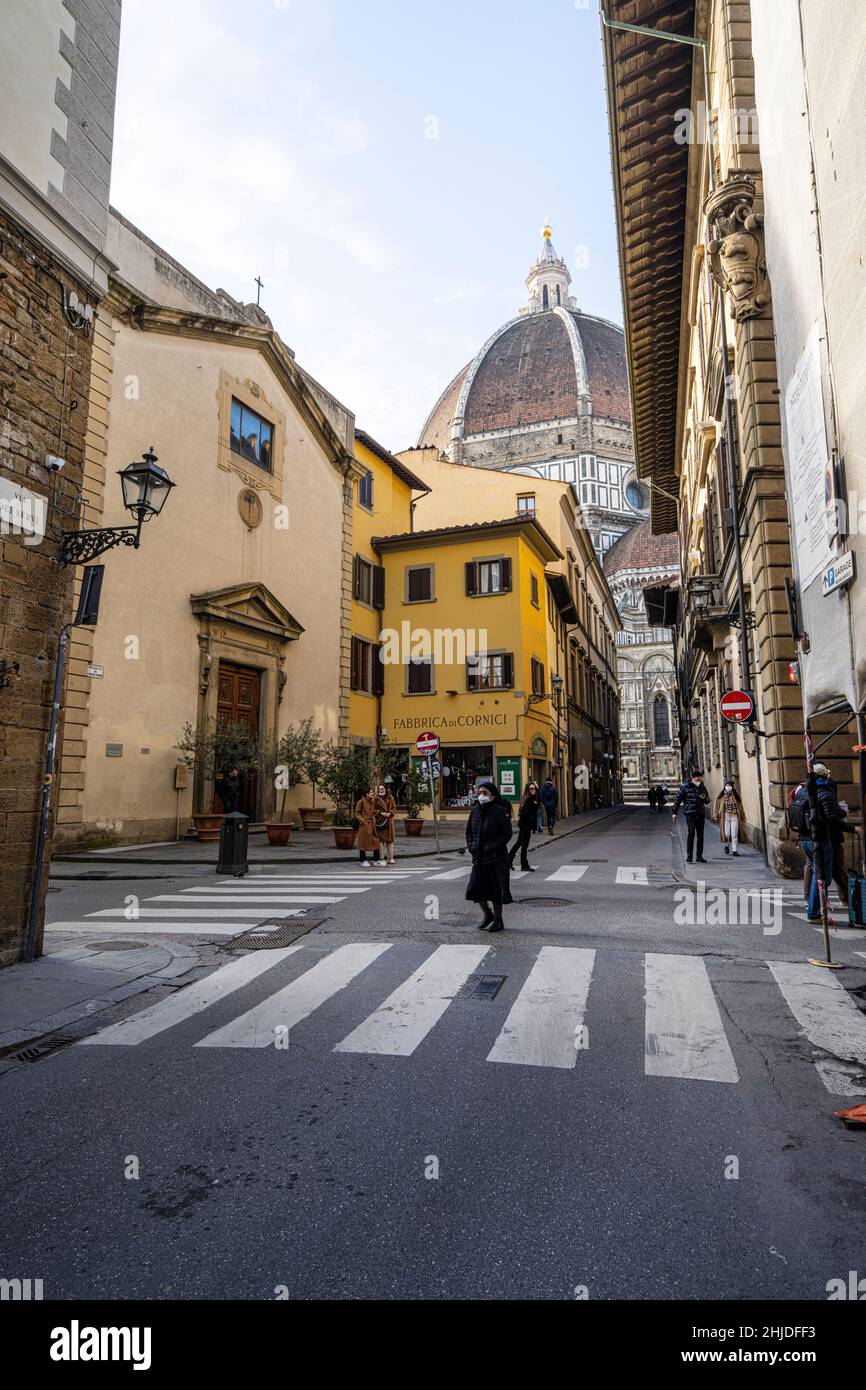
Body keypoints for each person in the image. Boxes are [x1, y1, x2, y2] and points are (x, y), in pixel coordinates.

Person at [465, 779, 513, 932]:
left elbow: (507, 834)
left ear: (492, 795)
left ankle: (498, 920)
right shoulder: (475, 810)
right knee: (475, 889)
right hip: (478, 857)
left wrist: (492, 847)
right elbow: (468, 832)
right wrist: (471, 846)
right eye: (479, 793)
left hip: (496, 857)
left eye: (484, 793)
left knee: (495, 890)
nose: (481, 795)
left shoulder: (499, 810)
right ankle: (488, 914)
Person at [672, 770, 710, 863]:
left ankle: (699, 856)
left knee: (700, 835)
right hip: (690, 813)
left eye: (700, 779)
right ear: (693, 778)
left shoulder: (702, 787)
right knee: (691, 833)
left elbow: (708, 800)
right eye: (698, 779)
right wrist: (674, 812)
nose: (699, 781)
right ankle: (689, 856)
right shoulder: (685, 787)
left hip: (700, 813)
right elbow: (678, 800)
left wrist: (704, 798)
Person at [509, 783, 540, 871]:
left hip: (524, 825)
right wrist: (531, 817)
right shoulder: (529, 799)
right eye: (531, 788)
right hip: (525, 825)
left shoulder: (526, 798)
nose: (533, 790)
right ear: (528, 789)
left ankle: (508, 860)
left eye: (534, 788)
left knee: (519, 843)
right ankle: (524, 864)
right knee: (524, 845)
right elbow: (526, 813)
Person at [713, 779, 745, 856]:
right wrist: (715, 815)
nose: (728, 787)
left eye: (730, 786)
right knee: (727, 834)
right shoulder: (721, 796)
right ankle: (727, 845)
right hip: (725, 817)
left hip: (734, 816)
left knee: (734, 834)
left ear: (732, 787)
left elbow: (740, 807)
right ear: (724, 786)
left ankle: (735, 851)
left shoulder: (736, 796)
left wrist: (743, 816)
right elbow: (716, 806)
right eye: (727, 785)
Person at [354, 786, 383, 867]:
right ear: (366, 794)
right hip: (364, 826)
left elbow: (372, 811)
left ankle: (376, 860)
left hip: (372, 824)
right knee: (363, 843)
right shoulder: (361, 802)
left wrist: (379, 812)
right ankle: (363, 860)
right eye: (370, 792)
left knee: (376, 841)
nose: (372, 793)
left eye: (372, 792)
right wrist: (363, 821)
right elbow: (357, 813)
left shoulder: (372, 801)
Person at [374, 782, 397, 865]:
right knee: (380, 841)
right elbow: (373, 810)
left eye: (382, 789)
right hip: (380, 821)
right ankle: (381, 858)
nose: (381, 790)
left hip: (389, 821)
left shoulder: (390, 797)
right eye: (379, 789)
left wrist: (390, 813)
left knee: (390, 841)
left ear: (385, 789)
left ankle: (391, 858)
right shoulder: (375, 799)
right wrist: (380, 813)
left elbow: (394, 808)